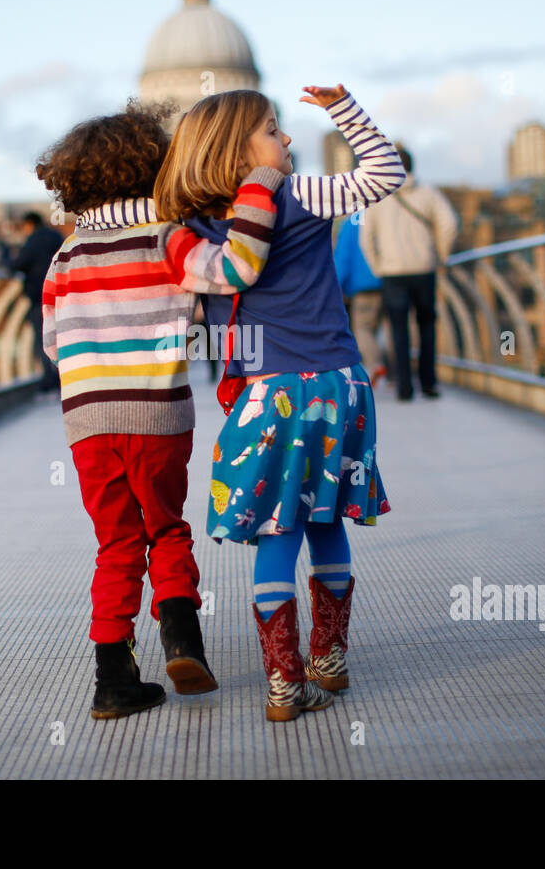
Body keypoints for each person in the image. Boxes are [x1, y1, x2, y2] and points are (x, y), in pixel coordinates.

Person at [153, 83, 405, 722]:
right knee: (327, 522)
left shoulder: (189, 236)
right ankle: (330, 658)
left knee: (277, 530)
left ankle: (283, 682)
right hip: (340, 386)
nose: (287, 138)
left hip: (268, 397)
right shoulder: (303, 195)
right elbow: (385, 173)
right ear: (239, 151)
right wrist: (344, 108)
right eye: (273, 128)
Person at [37, 99, 285, 720]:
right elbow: (232, 271)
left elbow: (51, 342)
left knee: (115, 543)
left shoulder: (64, 258)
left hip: (89, 422)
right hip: (158, 414)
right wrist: (259, 191)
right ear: (157, 166)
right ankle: (182, 639)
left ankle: (113, 680)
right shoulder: (165, 235)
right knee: (166, 527)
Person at [359, 144, 458, 400]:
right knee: (427, 326)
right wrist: (442, 256)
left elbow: (366, 238)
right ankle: (429, 383)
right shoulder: (428, 193)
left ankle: (404, 386)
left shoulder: (378, 198)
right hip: (424, 268)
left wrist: (378, 266)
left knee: (398, 328)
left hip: (393, 272)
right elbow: (449, 225)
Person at [8, 212, 64, 391]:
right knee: (61, 336)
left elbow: (18, 264)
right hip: (61, 294)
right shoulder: (56, 236)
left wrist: (5, 256)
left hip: (39, 297)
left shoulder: (32, 241)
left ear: (29, 224)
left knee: (43, 338)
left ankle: (49, 380)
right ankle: (62, 377)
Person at [333, 213, 387, 387]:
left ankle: (374, 365)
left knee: (363, 328)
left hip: (363, 285)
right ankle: (396, 371)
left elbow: (343, 256)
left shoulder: (350, 223)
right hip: (390, 281)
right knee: (387, 326)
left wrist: (337, 284)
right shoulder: (381, 216)